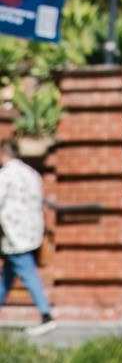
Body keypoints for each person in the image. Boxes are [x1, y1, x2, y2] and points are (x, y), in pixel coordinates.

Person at [0, 138, 54, 335]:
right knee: (7, 277)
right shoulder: (32, 173)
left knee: (27, 272)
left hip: (13, 234)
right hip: (31, 232)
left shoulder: (6, 175)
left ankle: (46, 316)